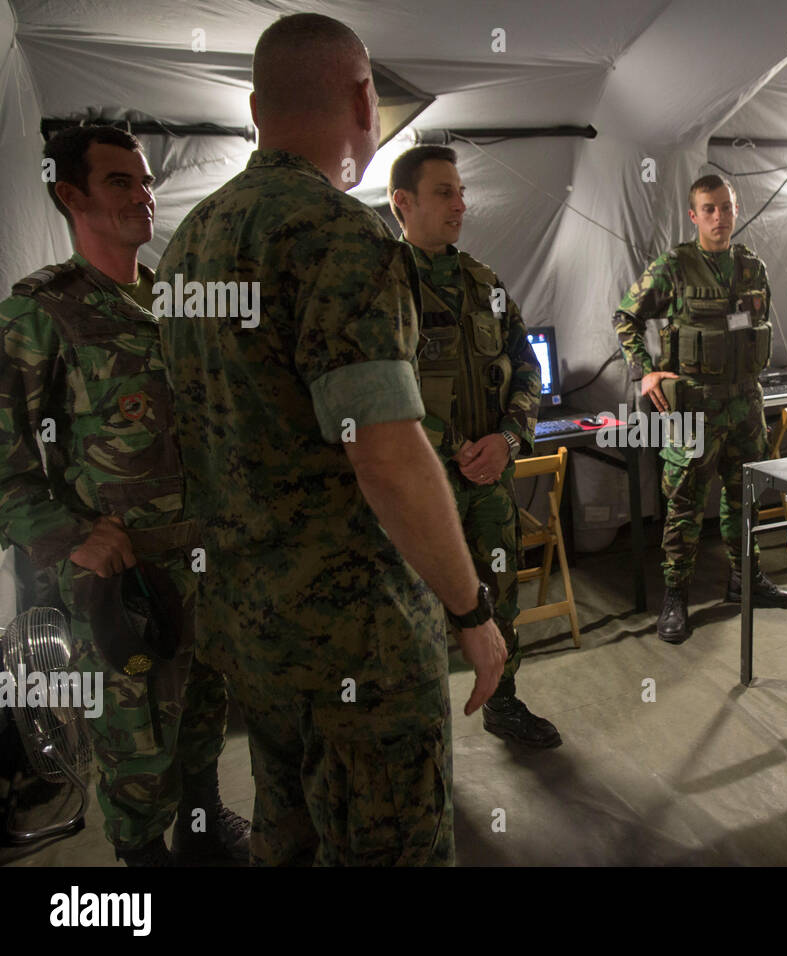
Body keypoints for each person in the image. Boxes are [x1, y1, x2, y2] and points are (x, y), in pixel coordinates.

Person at [156, 13, 506, 866]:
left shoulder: (188, 245)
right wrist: (471, 610)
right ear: (363, 99)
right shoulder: (340, 236)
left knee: (289, 834)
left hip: (250, 628)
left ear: (253, 106)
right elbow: (386, 457)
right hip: (356, 637)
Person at [0, 125, 247, 866]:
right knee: (136, 754)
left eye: (144, 181)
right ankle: (143, 864)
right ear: (70, 195)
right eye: (120, 182)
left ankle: (204, 827)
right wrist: (67, 536)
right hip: (125, 582)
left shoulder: (177, 298)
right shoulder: (43, 312)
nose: (143, 195)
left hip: (206, 565)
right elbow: (8, 467)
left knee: (203, 720)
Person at [388, 145, 561, 748]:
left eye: (462, 192)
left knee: (499, 589)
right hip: (419, 486)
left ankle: (503, 700)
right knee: (415, 608)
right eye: (444, 192)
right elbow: (380, 390)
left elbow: (525, 365)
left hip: (489, 479)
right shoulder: (383, 286)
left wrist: (508, 438)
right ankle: (421, 728)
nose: (460, 204)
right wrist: (460, 445)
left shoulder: (484, 284)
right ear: (401, 202)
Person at [613, 175, 787, 643]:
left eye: (726, 208)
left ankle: (745, 579)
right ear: (694, 215)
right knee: (685, 506)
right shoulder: (675, 265)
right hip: (695, 408)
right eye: (709, 210)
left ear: (735, 210)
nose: (719, 218)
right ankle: (676, 596)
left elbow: (754, 326)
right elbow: (626, 317)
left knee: (746, 495)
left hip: (745, 403)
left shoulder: (752, 268)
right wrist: (644, 371)